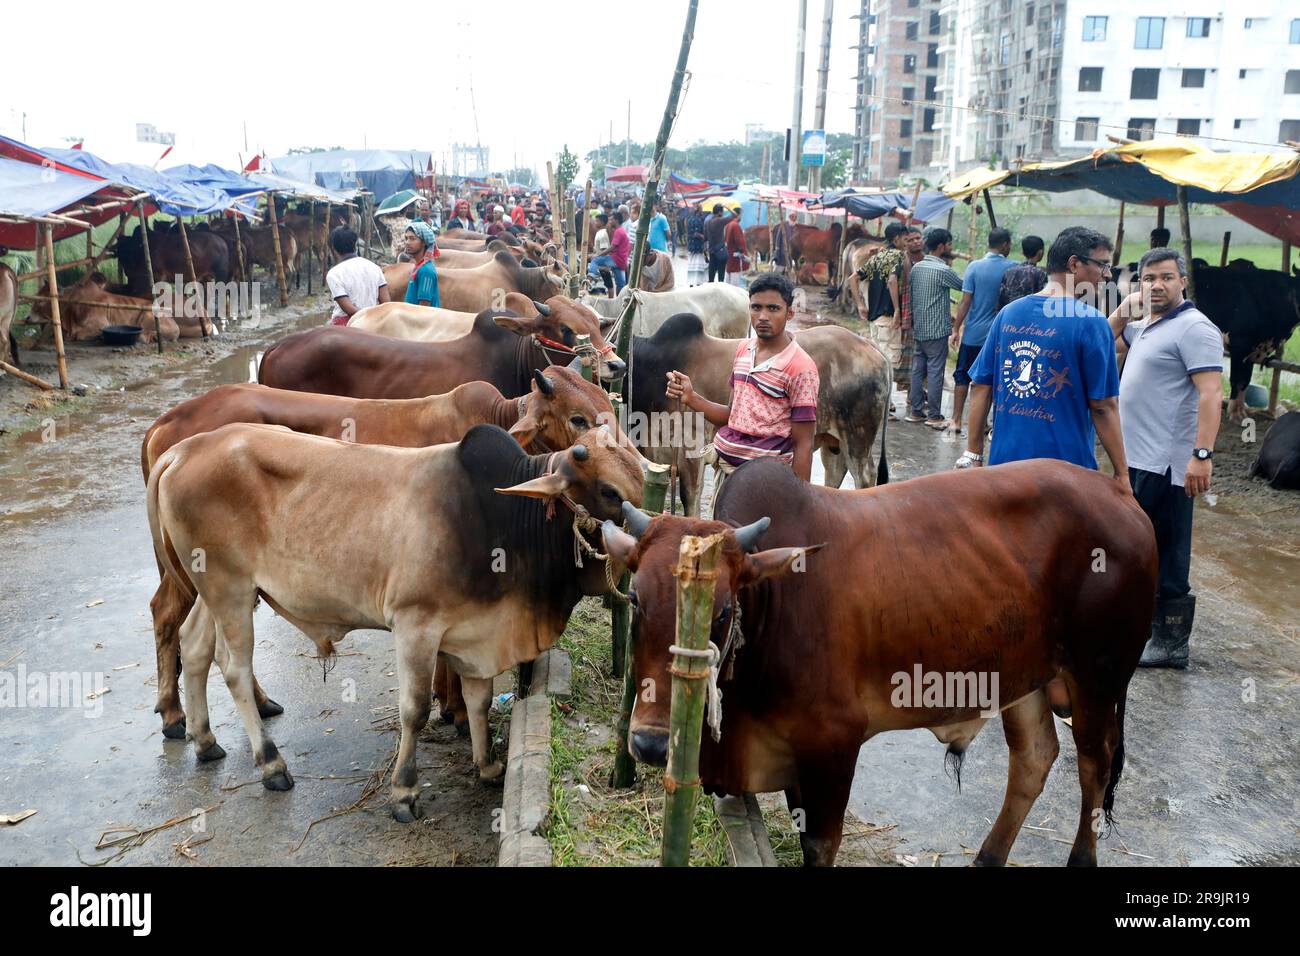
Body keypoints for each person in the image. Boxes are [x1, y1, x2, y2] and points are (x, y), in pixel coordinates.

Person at [1109, 248, 1223, 669]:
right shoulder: (1146, 326)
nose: (1157, 285)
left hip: (1171, 462)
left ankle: (1173, 642)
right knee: (1140, 544)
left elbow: (1211, 393)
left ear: (1182, 281)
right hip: (1138, 459)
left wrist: (1202, 455)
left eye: (1167, 277)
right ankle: (1144, 630)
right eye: (1148, 278)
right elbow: (1099, 345)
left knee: (1169, 547)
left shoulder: (1196, 328)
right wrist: (1122, 312)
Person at [958, 227, 1129, 488]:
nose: (1107, 275)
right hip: (1064, 475)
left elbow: (981, 386)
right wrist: (1122, 475)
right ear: (1074, 264)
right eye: (1103, 265)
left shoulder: (1008, 313)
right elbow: (1103, 406)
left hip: (1004, 468)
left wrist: (974, 455)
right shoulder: (1092, 323)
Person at [666, 271, 819, 482]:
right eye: (756, 307)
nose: (763, 316)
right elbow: (732, 416)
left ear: (790, 313)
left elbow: (804, 443)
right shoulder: (743, 351)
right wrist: (691, 398)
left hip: (768, 482)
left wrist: (798, 502)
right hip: (728, 476)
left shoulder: (800, 368)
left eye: (773, 308)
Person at [949, 228, 1018, 434]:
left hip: (973, 334)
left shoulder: (974, 267)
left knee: (962, 376)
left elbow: (965, 301)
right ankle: (986, 424)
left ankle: (955, 421)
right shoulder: (1013, 267)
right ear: (1005, 244)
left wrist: (956, 329)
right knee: (992, 381)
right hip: (1000, 336)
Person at [905, 228, 963, 428]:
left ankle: (916, 411)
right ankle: (934, 415)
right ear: (941, 247)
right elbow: (964, 285)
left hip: (919, 327)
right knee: (936, 372)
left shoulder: (916, 268)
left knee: (917, 370)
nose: (951, 248)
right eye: (949, 244)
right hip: (937, 330)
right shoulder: (943, 270)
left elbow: (911, 296)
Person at [854, 222, 907, 392]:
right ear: (897, 238)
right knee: (888, 363)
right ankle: (885, 402)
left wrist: (860, 304)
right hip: (889, 318)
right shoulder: (899, 256)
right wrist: (898, 309)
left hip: (874, 318)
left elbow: (851, 279)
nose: (906, 242)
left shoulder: (877, 257)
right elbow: (892, 280)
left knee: (877, 360)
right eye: (905, 238)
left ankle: (881, 400)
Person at [325, 226, 390, 325]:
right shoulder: (374, 267)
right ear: (354, 244)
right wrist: (373, 320)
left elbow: (349, 310)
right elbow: (386, 303)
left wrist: (366, 320)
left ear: (333, 248)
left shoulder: (334, 274)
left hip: (349, 323)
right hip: (374, 321)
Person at [587, 211, 629, 293]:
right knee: (621, 284)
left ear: (616, 220)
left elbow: (612, 247)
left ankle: (592, 276)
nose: (609, 221)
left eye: (611, 219)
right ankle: (619, 301)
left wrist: (598, 255)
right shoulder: (622, 231)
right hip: (622, 261)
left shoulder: (618, 231)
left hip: (616, 259)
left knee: (595, 260)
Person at [402, 221, 440, 307]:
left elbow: (423, 309)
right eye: (406, 238)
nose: (407, 242)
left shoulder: (426, 271)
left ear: (423, 242)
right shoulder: (419, 267)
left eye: (412, 239)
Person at [706, 204, 731, 283]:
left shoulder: (708, 221)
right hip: (720, 250)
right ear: (719, 212)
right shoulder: (720, 221)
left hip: (712, 250)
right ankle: (720, 289)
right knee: (721, 273)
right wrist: (728, 208)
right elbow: (733, 216)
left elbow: (706, 236)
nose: (723, 213)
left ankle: (710, 288)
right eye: (722, 211)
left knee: (712, 271)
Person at [724, 211, 749, 285]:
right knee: (734, 273)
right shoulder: (735, 226)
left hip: (729, 253)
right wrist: (743, 252)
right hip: (735, 255)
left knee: (729, 272)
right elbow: (739, 241)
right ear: (738, 215)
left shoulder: (728, 225)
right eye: (741, 214)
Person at [686, 204, 707, 285]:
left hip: (691, 246)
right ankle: (698, 283)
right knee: (698, 266)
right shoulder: (699, 220)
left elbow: (688, 232)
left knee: (691, 265)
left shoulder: (690, 219)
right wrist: (703, 236)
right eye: (701, 209)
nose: (702, 211)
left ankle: (691, 283)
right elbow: (697, 234)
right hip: (698, 247)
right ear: (699, 210)